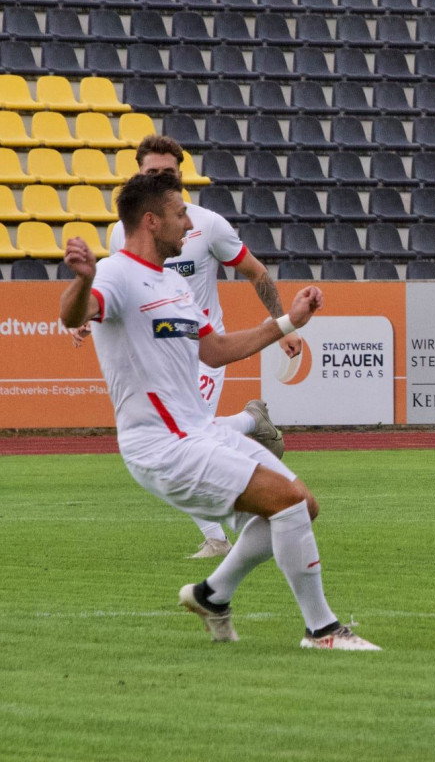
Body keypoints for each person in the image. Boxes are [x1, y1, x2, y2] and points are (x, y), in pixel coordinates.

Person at [59, 172, 379, 650]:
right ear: (151, 221)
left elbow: (214, 349)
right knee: (286, 501)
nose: (188, 221)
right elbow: (73, 315)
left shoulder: (172, 280)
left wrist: (290, 321)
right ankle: (323, 630)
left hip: (199, 431)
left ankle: (213, 594)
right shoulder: (116, 274)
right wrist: (82, 282)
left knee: (302, 506)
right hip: (160, 446)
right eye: (179, 212)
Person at [84, 135, 303, 558]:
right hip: (156, 354)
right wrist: (88, 317)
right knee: (188, 435)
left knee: (188, 434)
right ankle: (248, 422)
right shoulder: (120, 234)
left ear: (182, 175)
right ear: (139, 176)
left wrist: (286, 324)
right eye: (153, 173)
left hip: (201, 348)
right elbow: (116, 292)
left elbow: (256, 272)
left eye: (170, 173)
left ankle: (217, 538)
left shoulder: (207, 224)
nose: (163, 179)